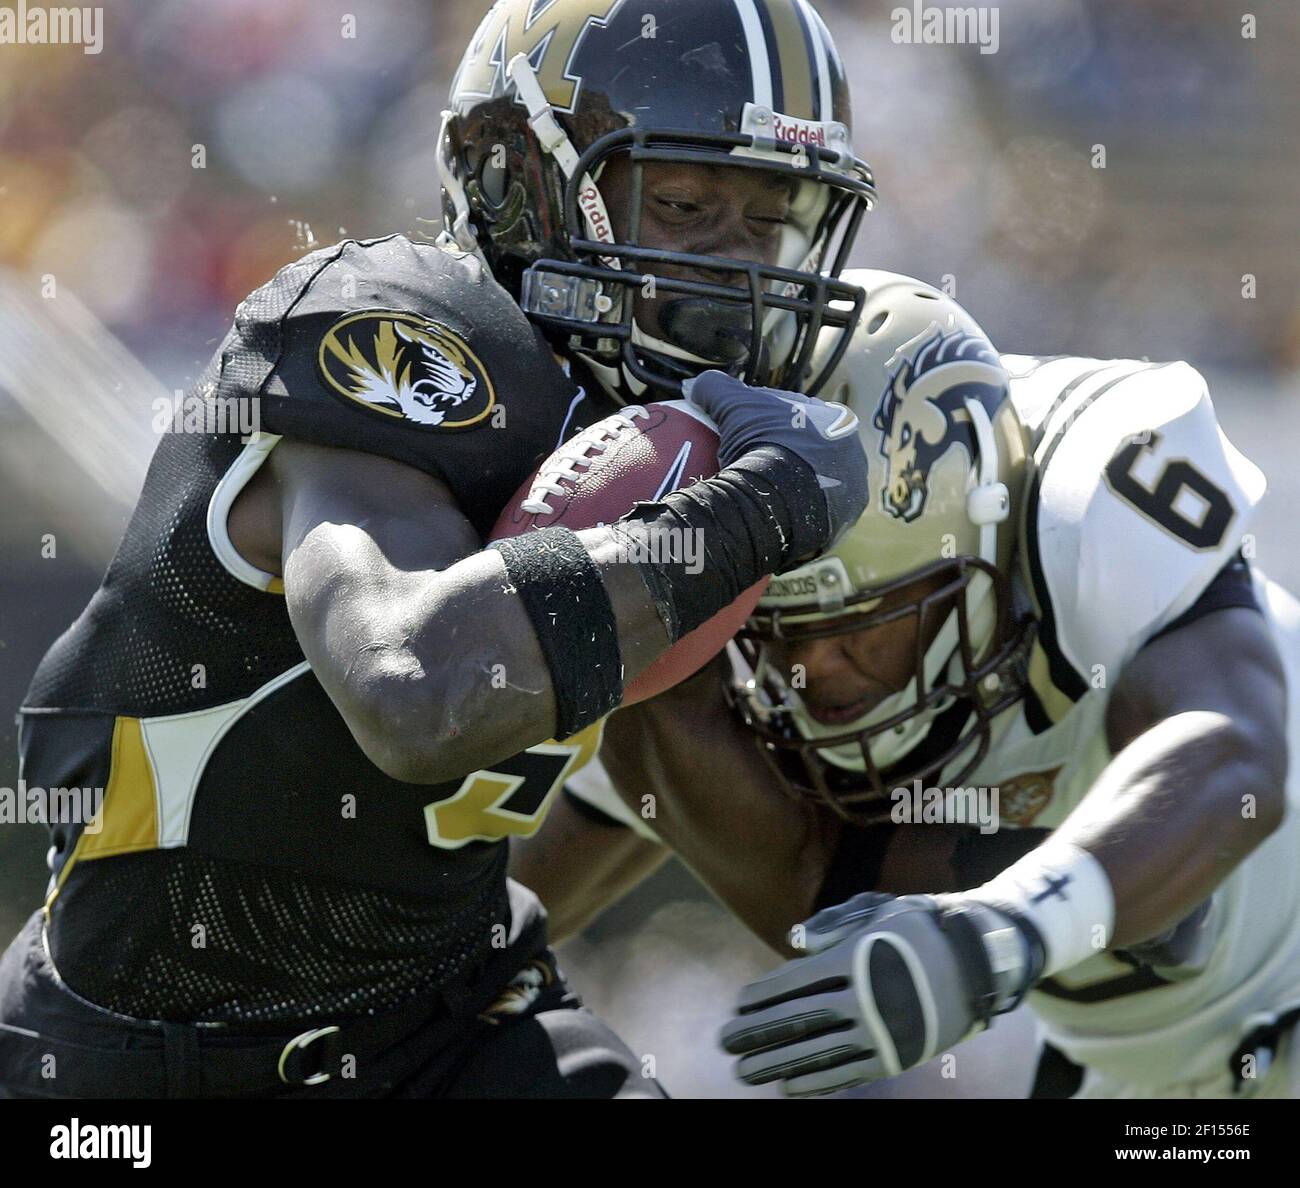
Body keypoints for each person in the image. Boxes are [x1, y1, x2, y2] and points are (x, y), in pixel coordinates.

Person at [0, 0, 875, 1099]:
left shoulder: (684, 444)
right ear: (517, 183)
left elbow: (756, 844)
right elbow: (416, 688)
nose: (735, 271)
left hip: (452, 1025)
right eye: (690, 204)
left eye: (771, 220)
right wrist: (758, 513)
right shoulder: (400, 332)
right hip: (143, 1057)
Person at [515, 269, 1300, 1099]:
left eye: (854, 622)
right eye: (776, 631)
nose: (807, 672)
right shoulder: (701, 695)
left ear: (980, 549)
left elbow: (1237, 756)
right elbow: (502, 924)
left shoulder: (1089, 492)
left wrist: (1002, 932)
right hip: (1132, 1075)